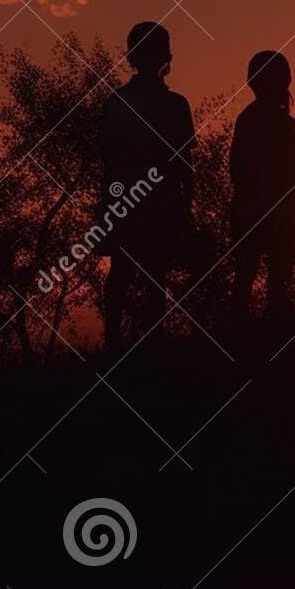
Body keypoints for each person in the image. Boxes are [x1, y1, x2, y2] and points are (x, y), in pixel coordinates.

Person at [98, 21, 196, 352]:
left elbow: (107, 159)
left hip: (126, 199)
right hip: (155, 201)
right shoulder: (174, 105)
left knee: (124, 273)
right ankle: (145, 343)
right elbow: (184, 163)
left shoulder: (117, 103)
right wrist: (188, 207)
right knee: (149, 274)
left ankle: (115, 343)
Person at [229, 50, 295, 324]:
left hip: (251, 214)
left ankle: (240, 339)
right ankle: (273, 340)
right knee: (276, 283)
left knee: (246, 279)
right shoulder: (287, 126)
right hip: (277, 216)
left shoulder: (248, 121)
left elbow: (237, 170)